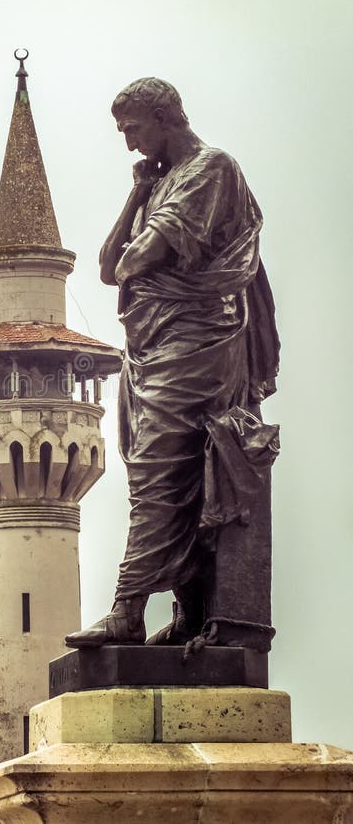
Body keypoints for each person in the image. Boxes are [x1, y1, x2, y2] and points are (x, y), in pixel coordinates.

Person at [66, 78, 279, 649]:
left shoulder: (211, 169)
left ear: (164, 118)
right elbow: (111, 267)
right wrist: (137, 195)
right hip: (152, 346)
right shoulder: (157, 183)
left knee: (166, 466)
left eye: (134, 129)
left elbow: (141, 256)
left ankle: (128, 608)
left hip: (197, 345)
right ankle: (189, 612)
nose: (130, 144)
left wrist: (143, 251)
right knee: (165, 466)